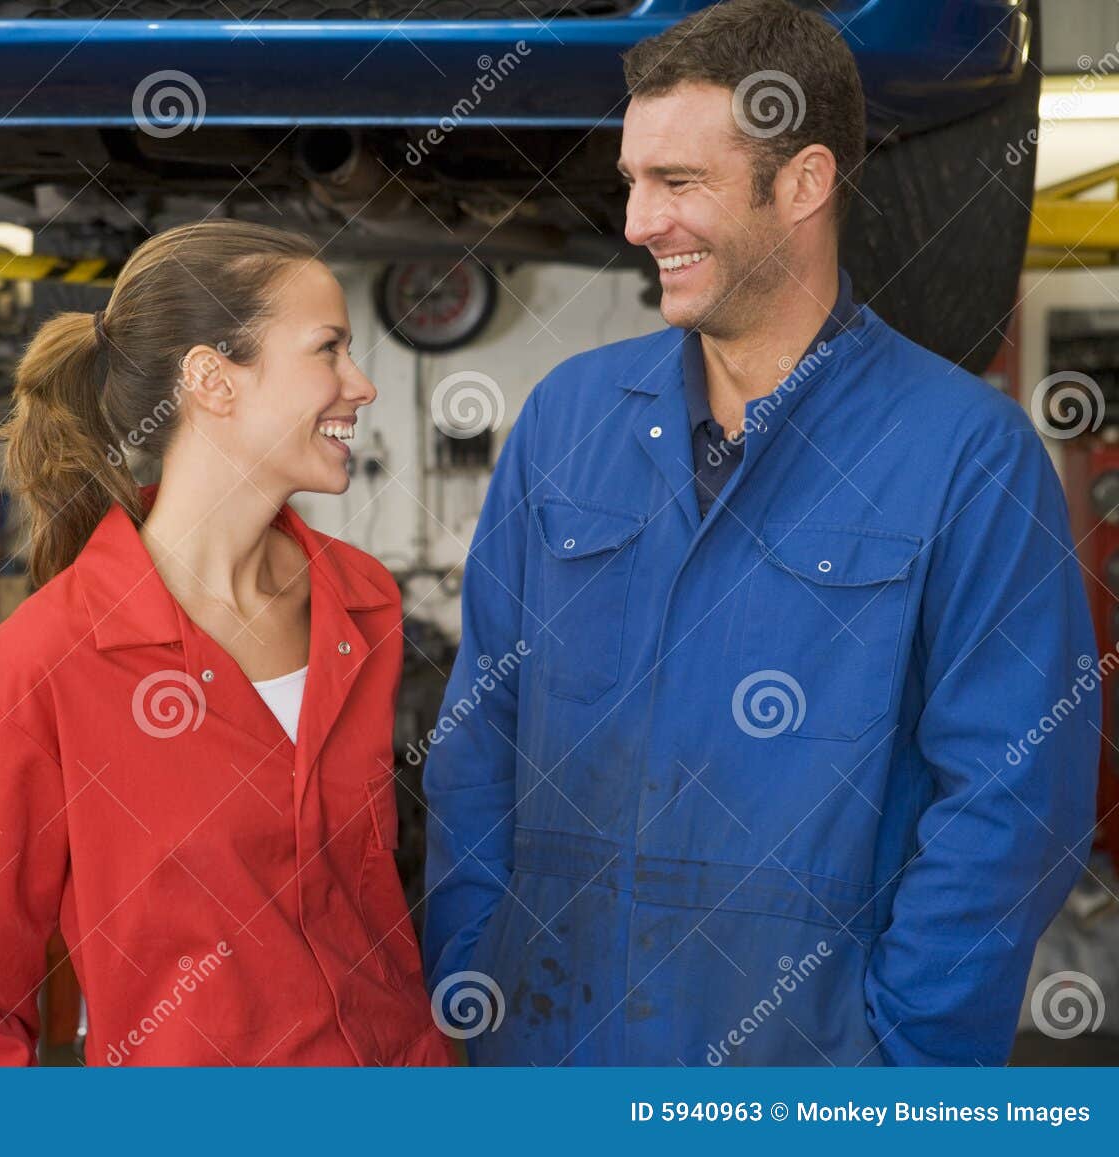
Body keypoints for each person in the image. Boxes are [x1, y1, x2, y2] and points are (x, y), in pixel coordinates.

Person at [421, 0, 1097, 1066]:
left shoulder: (964, 452)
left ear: (803, 184)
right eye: (633, 182)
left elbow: (1016, 798)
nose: (639, 222)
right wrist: (471, 963)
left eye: (678, 183)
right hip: (549, 1049)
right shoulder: (567, 419)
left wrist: (902, 1061)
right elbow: (478, 734)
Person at [0, 220, 453, 1067]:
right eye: (328, 350)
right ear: (211, 379)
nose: (361, 384)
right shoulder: (40, 669)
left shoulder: (359, 605)